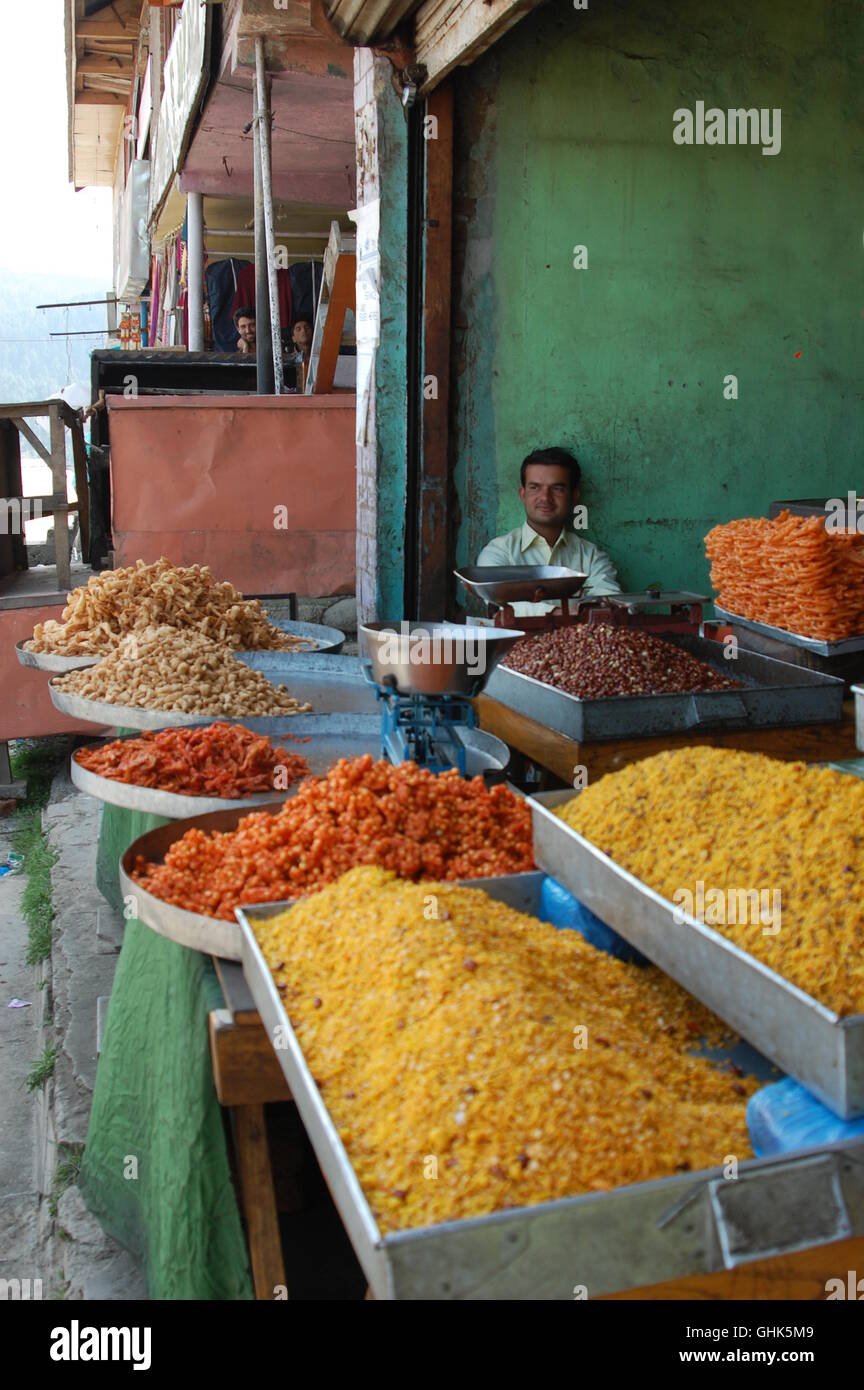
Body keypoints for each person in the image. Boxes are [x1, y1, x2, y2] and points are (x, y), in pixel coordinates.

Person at [476, 446, 621, 615]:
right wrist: (561, 613)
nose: (545, 497)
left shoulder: (590, 557)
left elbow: (612, 604)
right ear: (522, 494)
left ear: (574, 496)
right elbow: (498, 604)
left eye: (557, 488)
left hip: (578, 642)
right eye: (535, 487)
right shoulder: (499, 553)